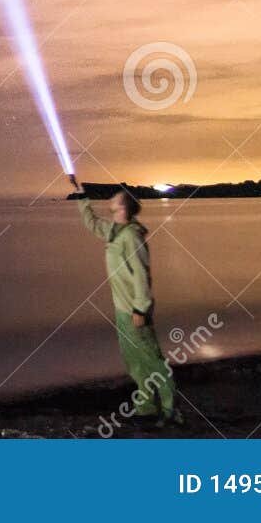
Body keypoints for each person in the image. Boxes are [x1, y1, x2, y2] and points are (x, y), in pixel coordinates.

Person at [68, 174, 180, 427]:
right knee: (134, 362)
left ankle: (171, 409)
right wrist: (81, 194)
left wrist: (141, 309)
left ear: (123, 206)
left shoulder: (132, 236)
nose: (111, 197)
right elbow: (92, 223)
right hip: (121, 308)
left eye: (116, 197)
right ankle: (146, 408)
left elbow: (142, 274)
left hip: (134, 309)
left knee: (152, 359)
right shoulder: (114, 231)